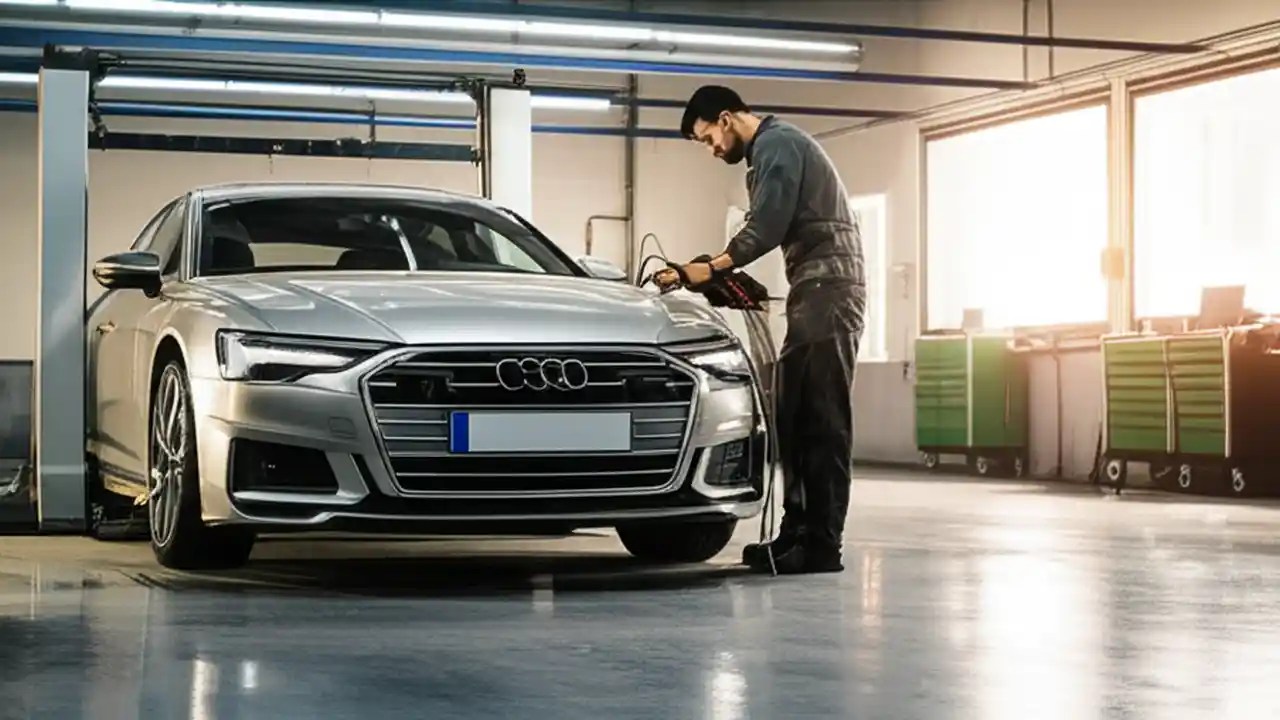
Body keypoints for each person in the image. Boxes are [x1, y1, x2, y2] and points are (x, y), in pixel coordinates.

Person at [656, 85, 865, 574]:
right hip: (813, 289)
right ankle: (796, 534)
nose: (712, 150)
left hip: (830, 291)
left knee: (822, 419)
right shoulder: (774, 150)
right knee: (795, 414)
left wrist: (709, 268)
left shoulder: (777, 144)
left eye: (709, 138)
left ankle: (820, 546)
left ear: (726, 119)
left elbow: (766, 226)